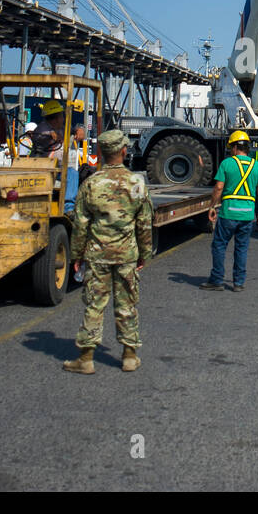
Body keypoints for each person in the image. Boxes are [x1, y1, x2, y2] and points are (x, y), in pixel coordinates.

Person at [63, 129, 153, 375]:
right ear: (124, 151)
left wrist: (76, 255)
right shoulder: (136, 183)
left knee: (94, 305)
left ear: (101, 152)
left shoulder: (91, 183)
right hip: (126, 255)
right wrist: (145, 253)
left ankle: (86, 358)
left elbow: (80, 223)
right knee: (127, 305)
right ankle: (130, 356)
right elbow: (144, 222)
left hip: (97, 255)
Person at [202, 130, 258, 292]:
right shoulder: (257, 166)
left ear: (236, 147)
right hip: (247, 215)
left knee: (219, 246)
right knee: (241, 248)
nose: (230, 149)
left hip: (228, 214)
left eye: (231, 146)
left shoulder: (227, 164)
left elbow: (218, 187)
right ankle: (238, 282)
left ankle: (216, 280)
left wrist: (212, 207)